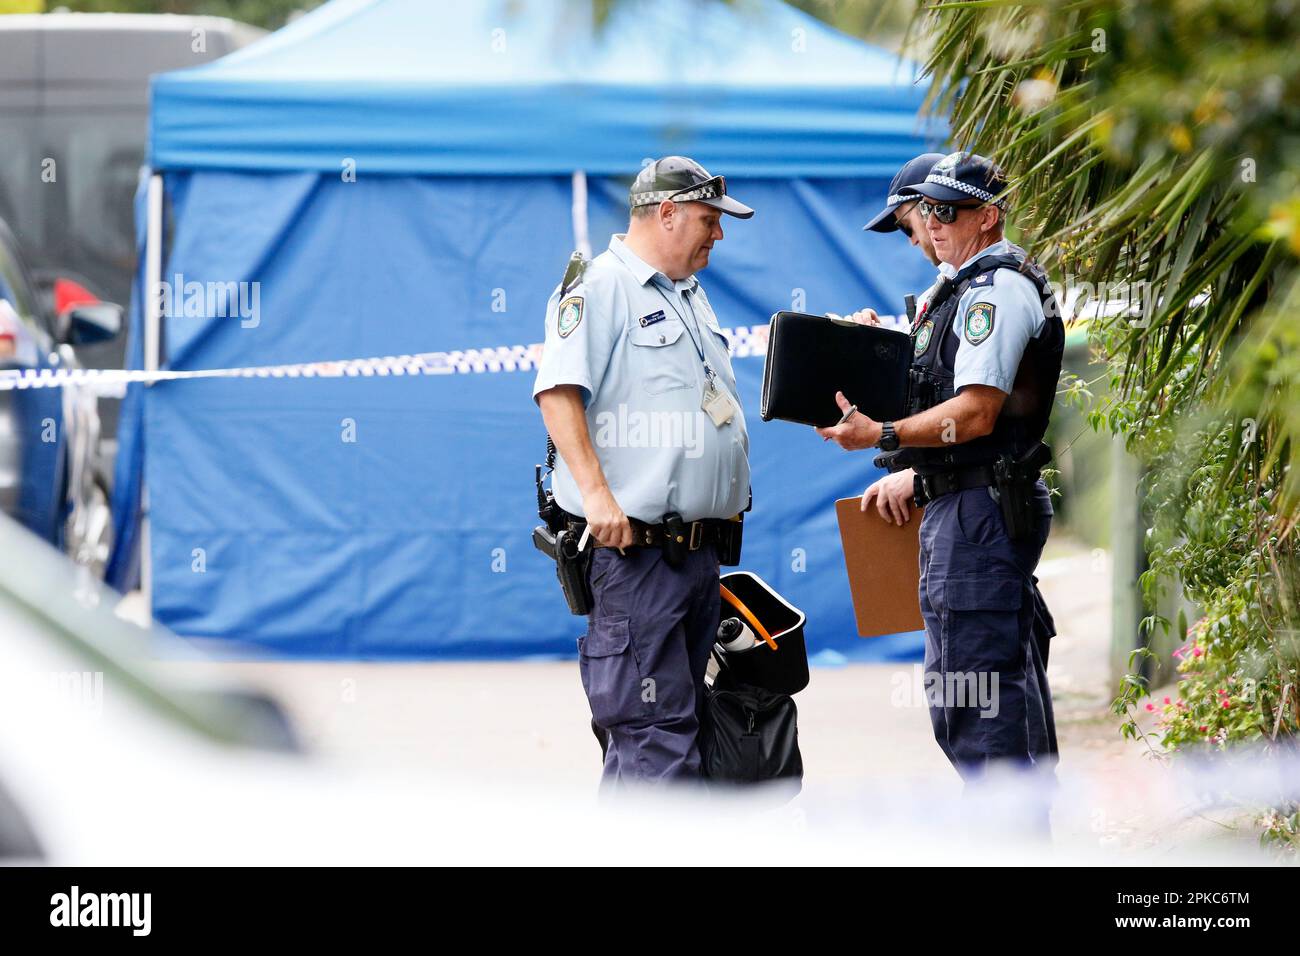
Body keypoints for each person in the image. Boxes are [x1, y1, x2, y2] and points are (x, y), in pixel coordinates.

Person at [818, 152, 1063, 786]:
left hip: (981, 512)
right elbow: (935, 390)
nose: (931, 226)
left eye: (945, 211)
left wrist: (885, 435)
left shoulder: (994, 289)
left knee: (975, 701)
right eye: (927, 210)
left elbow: (977, 414)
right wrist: (872, 354)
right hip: (965, 503)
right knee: (986, 692)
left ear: (987, 216)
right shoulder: (959, 289)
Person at [532, 156, 754, 786]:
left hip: (694, 557)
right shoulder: (600, 287)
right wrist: (598, 497)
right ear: (667, 213)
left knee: (680, 738)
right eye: (709, 220)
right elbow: (557, 393)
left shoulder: (689, 294)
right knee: (653, 743)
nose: (718, 234)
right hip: (637, 558)